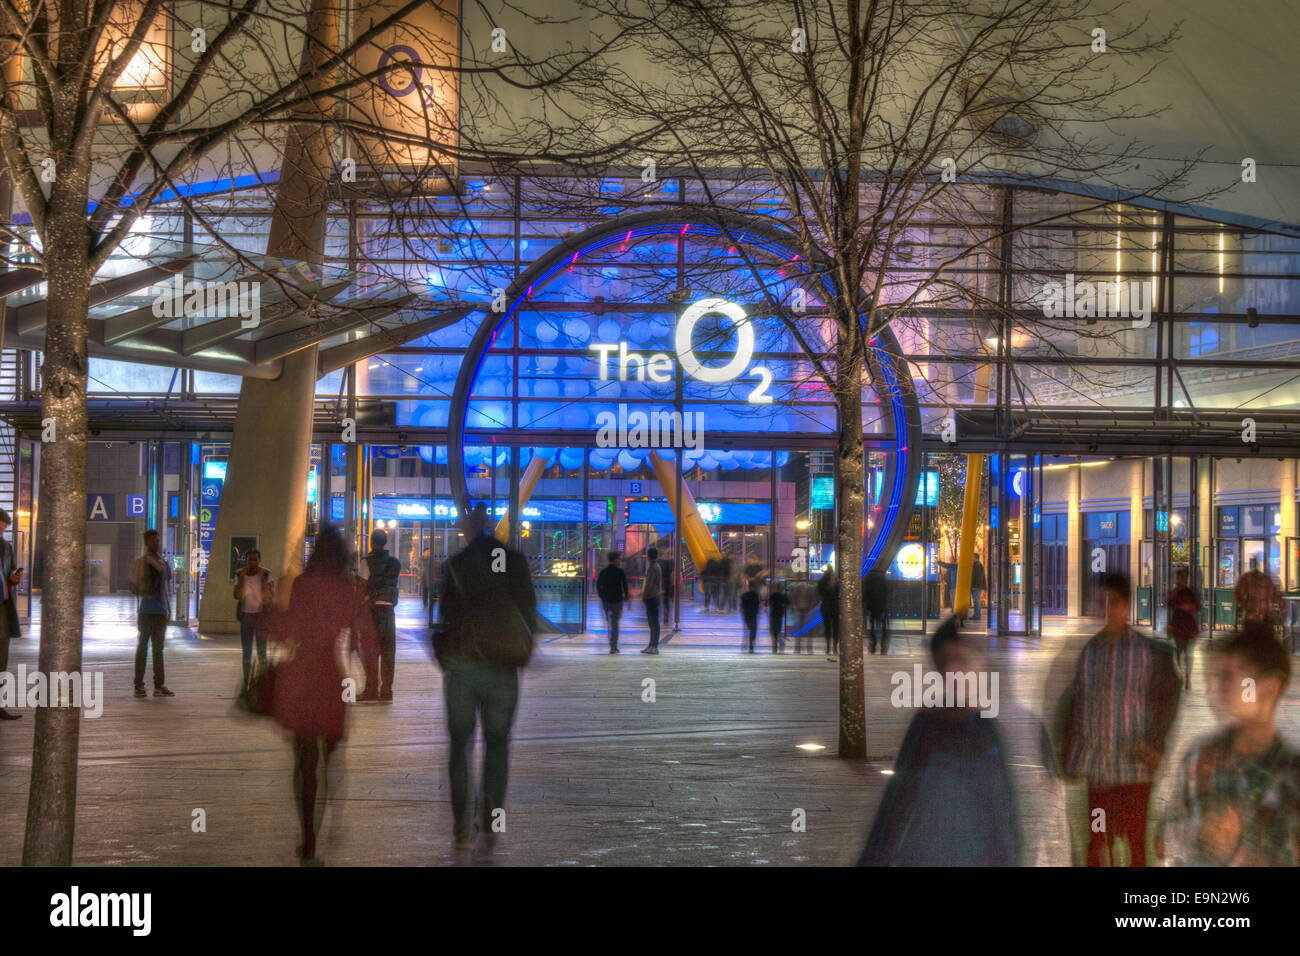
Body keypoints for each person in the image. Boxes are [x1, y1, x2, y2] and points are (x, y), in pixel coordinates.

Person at [858, 618, 1021, 865]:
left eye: (964, 663)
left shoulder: (981, 728)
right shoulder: (930, 726)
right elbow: (895, 807)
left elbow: (1004, 817)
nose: (956, 671)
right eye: (950, 664)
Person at [263, 524, 377, 866]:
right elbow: (366, 636)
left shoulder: (302, 584)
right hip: (331, 679)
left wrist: (269, 612)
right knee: (331, 759)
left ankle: (308, 839)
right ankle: (327, 825)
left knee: (305, 764)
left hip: (301, 676)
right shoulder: (348, 589)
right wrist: (372, 681)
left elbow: (287, 631)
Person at [436, 502, 537, 863]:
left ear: (468, 525)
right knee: (497, 747)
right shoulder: (514, 562)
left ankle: (461, 830)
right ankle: (491, 829)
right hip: (502, 668)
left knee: (459, 747)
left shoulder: (457, 565)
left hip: (463, 668)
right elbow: (528, 612)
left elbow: (444, 615)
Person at [1062, 573, 1181, 867]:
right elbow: (1078, 705)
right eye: (1100, 601)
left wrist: (1155, 744)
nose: (1105, 609)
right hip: (1099, 776)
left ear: (1126, 606)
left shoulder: (1147, 653)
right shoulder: (1090, 652)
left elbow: (1168, 698)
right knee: (1098, 839)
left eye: (1112, 602)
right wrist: (1071, 753)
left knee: (1136, 842)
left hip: (1134, 774)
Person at [1157, 623, 1300, 866]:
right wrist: (1200, 832)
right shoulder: (1201, 757)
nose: (1215, 690)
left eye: (1229, 677)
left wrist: (1244, 845)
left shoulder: (1291, 774)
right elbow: (1167, 834)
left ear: (1269, 688)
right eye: (1214, 677)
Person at [131, 529, 174, 698]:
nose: (156, 543)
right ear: (146, 542)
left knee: (158, 649)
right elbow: (134, 587)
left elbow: (166, 588)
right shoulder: (141, 563)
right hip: (147, 611)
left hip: (160, 612)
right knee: (143, 648)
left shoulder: (163, 562)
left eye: (157, 541)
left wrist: (169, 609)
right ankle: (139, 684)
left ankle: (159, 685)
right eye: (153, 541)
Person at [360, 528, 401, 703]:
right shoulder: (395, 563)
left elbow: (362, 587)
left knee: (370, 652)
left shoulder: (366, 562)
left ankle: (371, 690)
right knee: (388, 652)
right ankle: (386, 691)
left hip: (372, 611)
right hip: (388, 610)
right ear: (385, 543)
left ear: (372, 542)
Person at [233, 548, 274, 693]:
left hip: (261, 617)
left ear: (259, 560)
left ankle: (262, 683)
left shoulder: (267, 574)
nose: (252, 563)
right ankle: (247, 683)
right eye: (250, 560)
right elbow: (237, 595)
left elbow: (270, 597)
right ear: (246, 561)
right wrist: (242, 579)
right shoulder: (240, 573)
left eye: (255, 560)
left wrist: (262, 579)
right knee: (246, 654)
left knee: (262, 653)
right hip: (246, 617)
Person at [0, 509, 22, 720]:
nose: (2, 530)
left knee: (1, 657)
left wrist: (14, 577)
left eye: (4, 526)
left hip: (3, 606)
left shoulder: (6, 547)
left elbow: (11, 571)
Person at [1167, 568, 1200, 691]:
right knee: (1178, 652)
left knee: (1188, 653)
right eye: (1180, 577)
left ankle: (1187, 676)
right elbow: (1170, 605)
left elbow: (1196, 607)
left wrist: (1189, 608)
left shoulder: (1190, 592)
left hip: (1188, 625)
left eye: (1184, 578)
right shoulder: (1175, 592)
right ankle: (1181, 674)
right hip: (1177, 625)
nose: (1182, 580)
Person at [596, 552, 629, 653]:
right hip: (617, 602)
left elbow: (598, 586)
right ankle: (613, 645)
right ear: (615, 560)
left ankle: (612, 644)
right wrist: (626, 596)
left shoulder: (603, 572)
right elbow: (625, 585)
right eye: (619, 559)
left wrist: (602, 597)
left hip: (606, 602)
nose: (620, 561)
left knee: (610, 624)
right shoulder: (620, 571)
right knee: (615, 624)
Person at [1235, 558, 1281, 629]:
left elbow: (1237, 594)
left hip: (1256, 616)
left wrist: (1245, 604)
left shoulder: (1247, 578)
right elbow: (1276, 594)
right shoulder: (1266, 579)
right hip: (1260, 615)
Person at [641, 547, 662, 655]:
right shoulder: (656, 566)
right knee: (652, 622)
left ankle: (654, 646)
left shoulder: (652, 568)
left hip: (652, 597)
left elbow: (649, 584)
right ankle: (651, 645)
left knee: (653, 622)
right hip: (655, 596)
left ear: (649, 557)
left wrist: (645, 595)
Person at [864, 568, 888, 655]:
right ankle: (883, 642)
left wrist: (866, 605)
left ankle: (873, 643)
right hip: (881, 606)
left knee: (872, 625)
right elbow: (886, 593)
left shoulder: (869, 579)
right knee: (883, 625)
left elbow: (865, 593)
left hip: (872, 606)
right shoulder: (883, 579)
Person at [818, 567, 839, 660]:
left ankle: (828, 646)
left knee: (827, 627)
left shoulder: (821, 581)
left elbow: (819, 593)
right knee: (836, 627)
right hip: (835, 607)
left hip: (826, 606)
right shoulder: (836, 581)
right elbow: (839, 594)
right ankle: (835, 647)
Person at [768, 579, 789, 653]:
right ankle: (778, 642)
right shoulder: (783, 596)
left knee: (773, 630)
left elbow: (769, 604)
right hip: (780, 614)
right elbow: (787, 604)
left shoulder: (772, 596)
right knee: (778, 628)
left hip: (773, 614)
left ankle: (775, 644)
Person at [740, 579, 761, 653]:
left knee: (749, 628)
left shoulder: (744, 595)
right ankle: (751, 644)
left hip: (747, 614)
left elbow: (742, 606)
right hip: (753, 614)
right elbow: (758, 605)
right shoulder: (756, 595)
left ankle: (750, 643)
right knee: (753, 629)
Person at [971, 554, 987, 621]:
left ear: (975, 558)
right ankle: (976, 615)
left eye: (972, 557)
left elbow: (977, 577)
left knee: (976, 600)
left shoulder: (977, 565)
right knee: (976, 600)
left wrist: (975, 585)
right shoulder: (978, 565)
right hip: (976, 586)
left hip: (975, 586)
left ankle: (977, 616)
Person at [660, 556, 674, 628]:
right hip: (668, 587)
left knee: (665, 602)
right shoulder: (670, 572)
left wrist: (662, 588)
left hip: (665, 587)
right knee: (666, 603)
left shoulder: (663, 574)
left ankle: (666, 617)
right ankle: (666, 617)